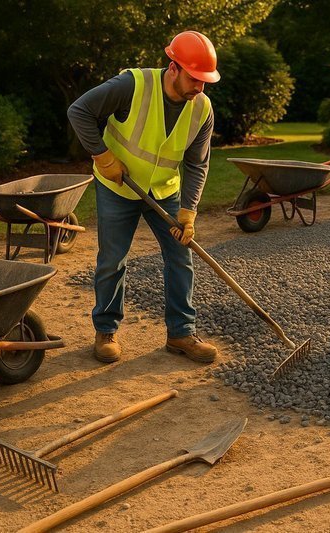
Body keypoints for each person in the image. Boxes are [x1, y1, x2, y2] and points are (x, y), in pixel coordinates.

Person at [68, 30, 221, 364]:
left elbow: (197, 164)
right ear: (173, 68)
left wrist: (188, 212)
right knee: (113, 258)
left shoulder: (202, 109)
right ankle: (106, 330)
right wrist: (102, 156)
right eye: (195, 78)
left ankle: (182, 333)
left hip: (164, 189)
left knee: (181, 257)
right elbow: (79, 111)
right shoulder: (131, 86)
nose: (199, 87)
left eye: (204, 81)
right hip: (118, 187)